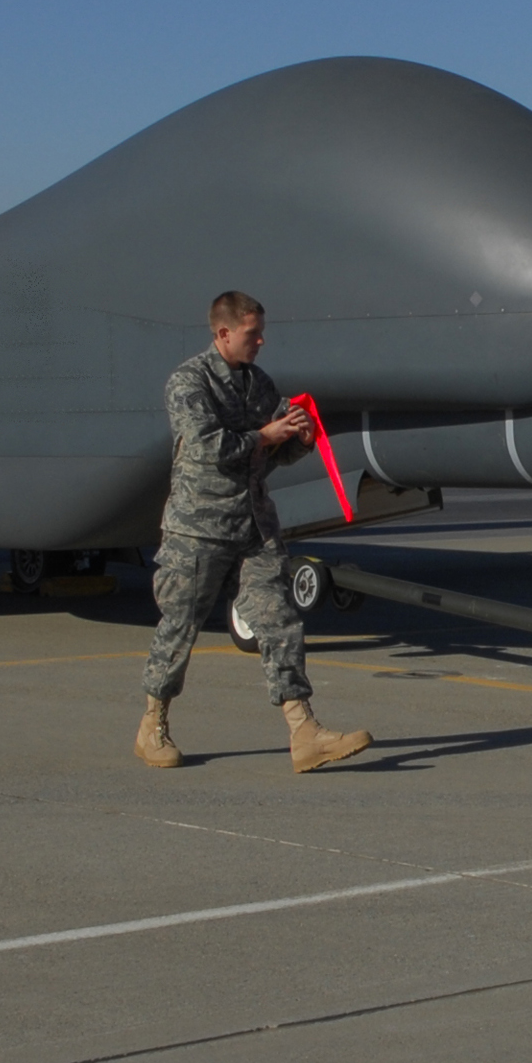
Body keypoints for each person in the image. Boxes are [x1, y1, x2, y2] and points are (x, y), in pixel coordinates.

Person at [134, 291, 374, 774]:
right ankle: (152, 724)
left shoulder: (258, 384)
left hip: (252, 528)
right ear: (222, 334)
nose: (261, 341)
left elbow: (270, 453)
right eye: (251, 333)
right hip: (198, 531)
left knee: (280, 622)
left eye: (261, 332)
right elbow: (206, 447)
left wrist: (297, 439)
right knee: (180, 628)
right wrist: (265, 435)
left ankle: (304, 731)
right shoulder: (188, 381)